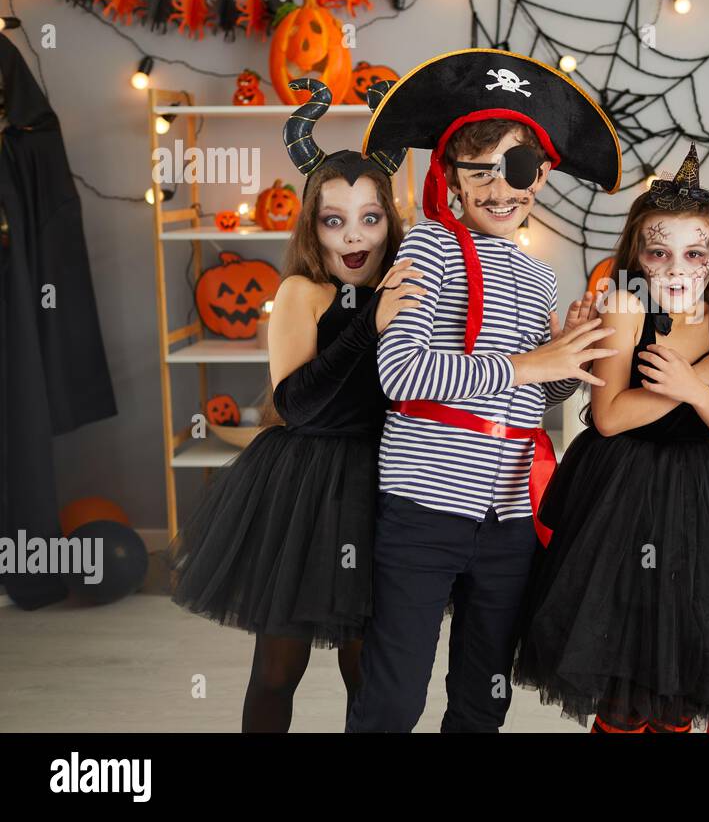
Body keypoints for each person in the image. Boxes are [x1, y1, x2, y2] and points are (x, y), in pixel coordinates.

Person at [345, 49, 621, 733]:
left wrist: (569, 359)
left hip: (507, 518)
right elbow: (402, 375)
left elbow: (525, 400)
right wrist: (529, 364)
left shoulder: (537, 278)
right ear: (453, 179)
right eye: (482, 172)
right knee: (393, 697)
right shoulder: (426, 250)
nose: (502, 189)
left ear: (542, 176)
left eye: (519, 170)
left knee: (483, 698)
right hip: (424, 509)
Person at [513, 144, 709, 732]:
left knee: (681, 681)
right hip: (625, 503)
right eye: (659, 252)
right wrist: (702, 378)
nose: (675, 267)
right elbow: (611, 415)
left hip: (707, 508)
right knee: (627, 683)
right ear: (639, 257)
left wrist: (699, 388)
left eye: (694, 254)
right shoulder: (625, 307)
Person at [168, 78, 418, 731]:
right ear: (313, 222)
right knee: (277, 671)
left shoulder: (411, 284)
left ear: (390, 218)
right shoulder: (301, 293)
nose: (354, 236)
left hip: (386, 485)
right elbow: (298, 405)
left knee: (370, 671)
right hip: (303, 489)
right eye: (335, 219)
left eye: (371, 216)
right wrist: (369, 319)